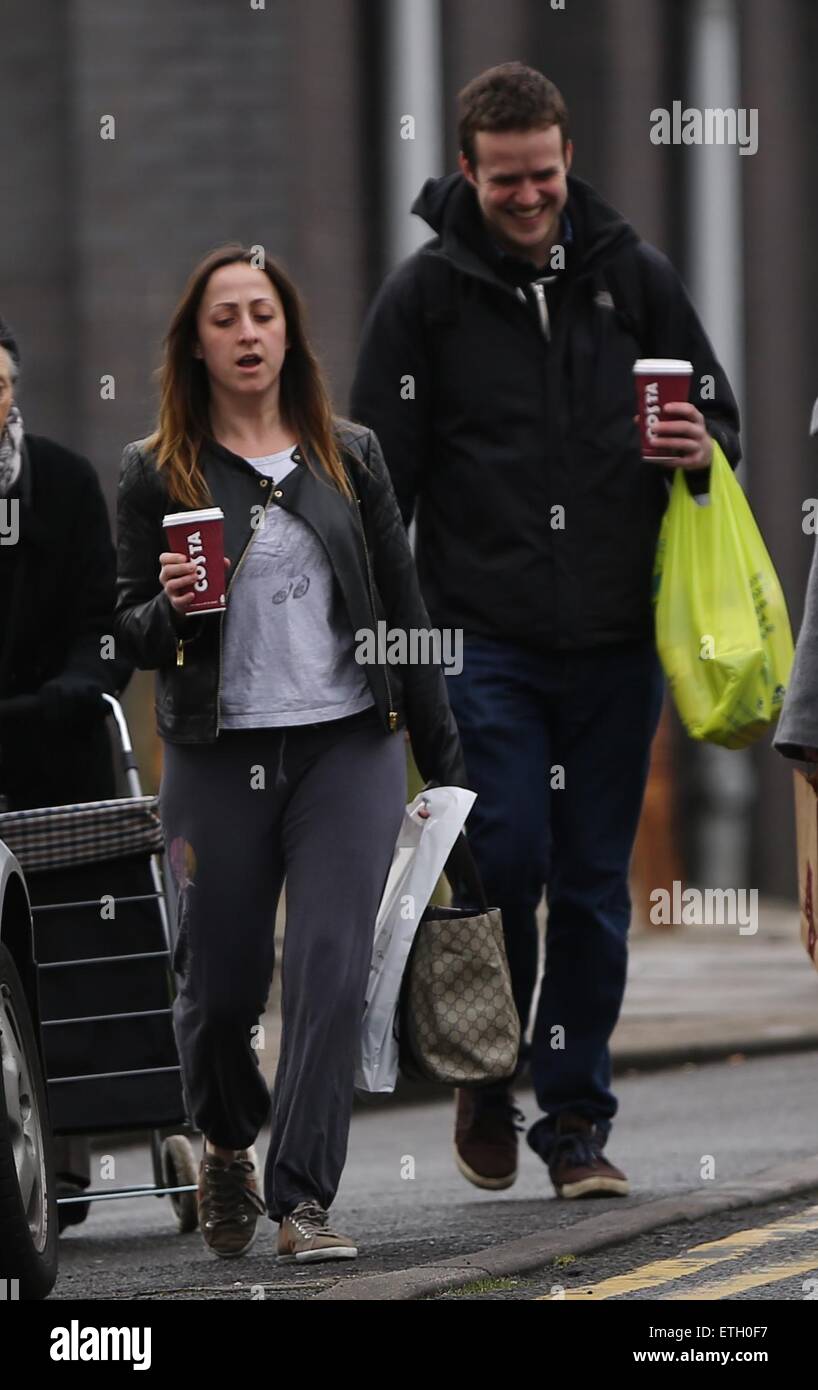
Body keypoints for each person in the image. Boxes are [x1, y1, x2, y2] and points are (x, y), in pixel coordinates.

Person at [351, 63, 741, 1200]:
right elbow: (377, 482)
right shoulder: (423, 299)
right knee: (505, 851)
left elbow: (717, 413)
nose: (528, 197)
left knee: (589, 885)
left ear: (566, 160)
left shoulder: (632, 278)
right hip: (482, 637)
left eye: (544, 175)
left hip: (616, 641)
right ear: (466, 171)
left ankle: (573, 1123)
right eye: (505, 179)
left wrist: (701, 449)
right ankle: (484, 1068)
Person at [114, 245, 466, 1262]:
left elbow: (404, 613)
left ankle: (301, 1198)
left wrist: (443, 768)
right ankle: (226, 1140)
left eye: (260, 314)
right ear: (195, 342)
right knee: (220, 985)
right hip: (218, 753)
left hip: (345, 746)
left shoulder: (349, 454)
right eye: (223, 318)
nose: (246, 334)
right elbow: (123, 628)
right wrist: (168, 613)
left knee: (329, 965)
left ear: (288, 331)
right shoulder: (154, 471)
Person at [0, 315, 133, 1228]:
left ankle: (79, 1147)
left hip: (59, 748)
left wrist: (75, 690)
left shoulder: (67, 481)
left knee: (78, 947)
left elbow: (104, 615)